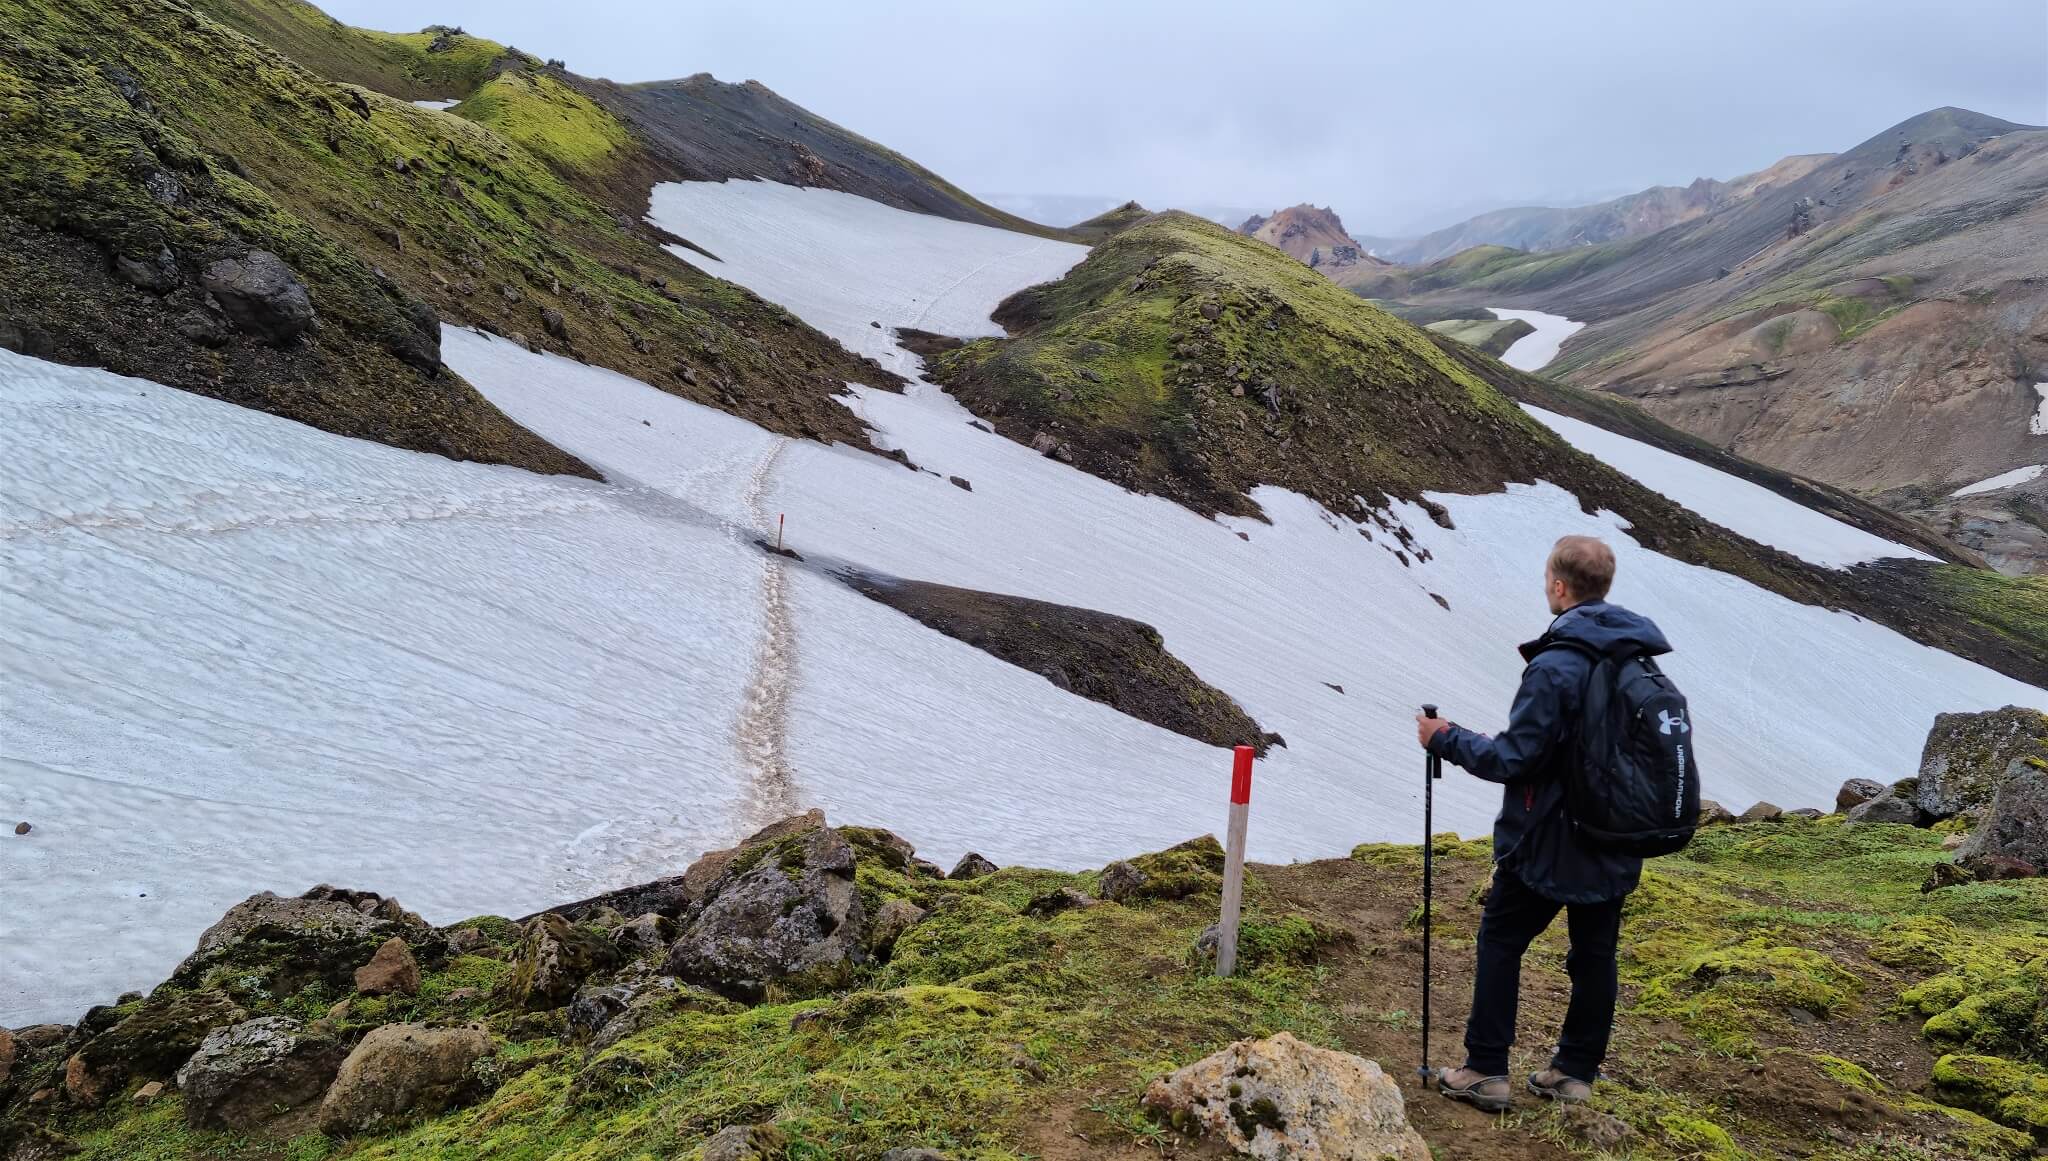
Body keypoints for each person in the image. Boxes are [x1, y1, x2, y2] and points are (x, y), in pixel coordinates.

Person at [1412, 534, 1670, 1110]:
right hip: (1618, 835)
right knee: (1595, 955)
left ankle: (1485, 1069)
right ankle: (1574, 1074)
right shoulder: (1637, 661)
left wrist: (1445, 739)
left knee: (1502, 939)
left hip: (1550, 838)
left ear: (1558, 586)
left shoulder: (1556, 666)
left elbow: (1515, 758)